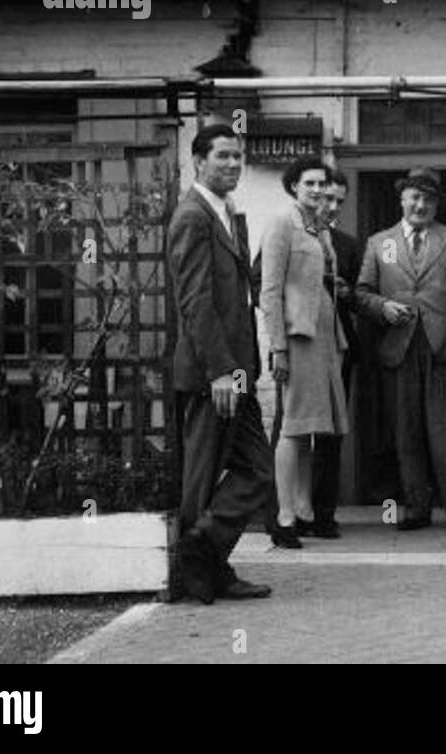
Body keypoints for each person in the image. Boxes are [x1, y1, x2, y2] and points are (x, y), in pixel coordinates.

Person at [167, 122, 273, 604]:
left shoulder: (227, 213)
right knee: (203, 476)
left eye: (238, 156)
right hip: (217, 374)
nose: (233, 164)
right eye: (223, 156)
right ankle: (197, 572)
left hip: (238, 370)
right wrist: (219, 372)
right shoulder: (193, 215)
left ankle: (202, 555)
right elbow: (195, 302)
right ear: (198, 161)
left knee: (258, 471)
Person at [354, 167, 446, 531]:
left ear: (436, 203)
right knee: (406, 431)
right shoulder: (381, 243)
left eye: (428, 198)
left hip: (443, 347)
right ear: (402, 199)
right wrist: (383, 308)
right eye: (414, 197)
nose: (420, 204)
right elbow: (362, 292)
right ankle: (416, 508)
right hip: (398, 345)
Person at [259, 156, 350, 550]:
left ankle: (304, 509)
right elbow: (270, 289)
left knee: (313, 427)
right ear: (294, 186)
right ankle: (283, 517)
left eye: (322, 184)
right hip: (298, 338)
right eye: (309, 183)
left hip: (326, 338)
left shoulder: (320, 229)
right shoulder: (283, 223)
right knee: (293, 428)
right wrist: (278, 346)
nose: (317, 190)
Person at [309, 168, 362, 538]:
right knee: (295, 433)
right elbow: (263, 280)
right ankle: (290, 512)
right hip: (301, 347)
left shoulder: (347, 244)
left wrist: (348, 294)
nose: (331, 207)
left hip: (338, 347)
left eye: (338, 202)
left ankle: (323, 514)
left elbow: (362, 294)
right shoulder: (291, 233)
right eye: (326, 198)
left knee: (331, 432)